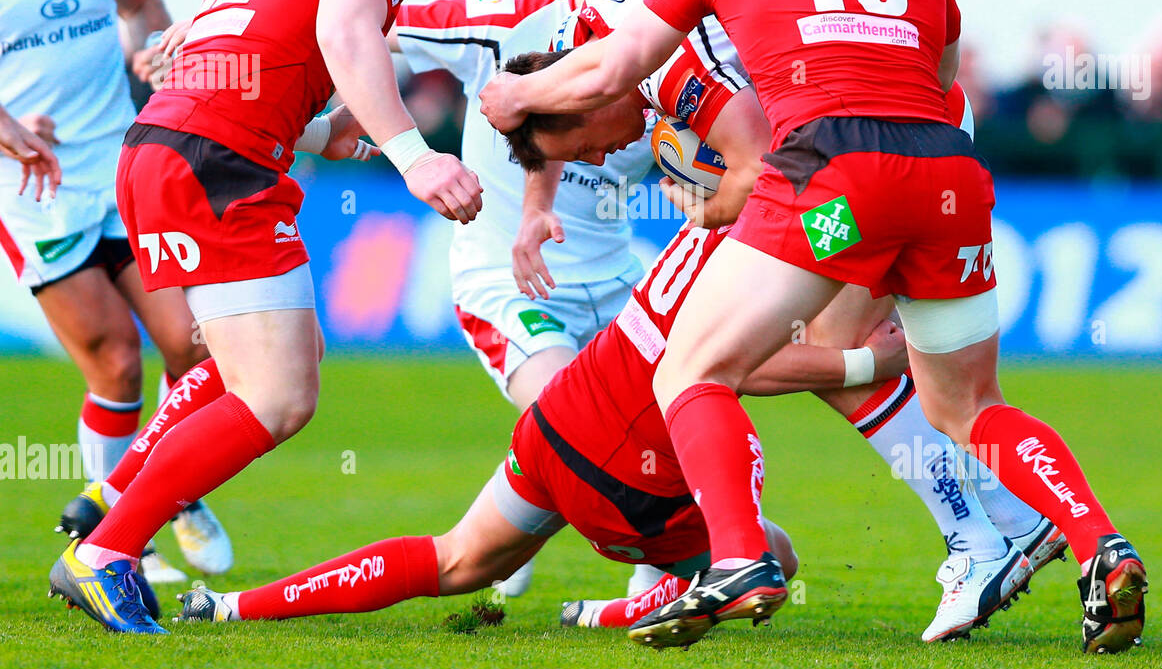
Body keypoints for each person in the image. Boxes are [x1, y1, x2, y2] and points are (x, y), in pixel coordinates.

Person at [480, 0, 1147, 654]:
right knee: (972, 403)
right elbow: (944, 75)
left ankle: (738, 560)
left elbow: (613, 68)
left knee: (692, 369)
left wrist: (515, 88)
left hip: (834, 175)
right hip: (946, 173)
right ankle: (1099, 541)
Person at [48, 0, 483, 634]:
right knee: (280, 396)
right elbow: (346, 34)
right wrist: (414, 156)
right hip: (219, 164)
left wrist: (322, 131)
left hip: (168, 149)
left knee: (273, 364)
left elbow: (235, 52)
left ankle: (117, 489)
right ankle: (107, 552)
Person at [506, 0, 1065, 642]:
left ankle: (987, 535)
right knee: (826, 350)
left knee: (823, 349)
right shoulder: (622, 45)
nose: (597, 160)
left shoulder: (665, 65)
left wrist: (718, 204)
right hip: (881, 139)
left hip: (875, 153)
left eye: (579, 146)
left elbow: (760, 159)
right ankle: (1008, 522)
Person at [173, 219, 887, 633]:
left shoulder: (711, 210)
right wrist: (862, 361)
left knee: (456, 560)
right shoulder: (788, 223)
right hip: (627, 484)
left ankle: (229, 607)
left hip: (558, 423)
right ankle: (638, 606)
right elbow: (736, 369)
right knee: (775, 556)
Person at [390, 0, 679, 599]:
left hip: (616, 280)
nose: (621, 1)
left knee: (672, 421)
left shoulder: (671, 57)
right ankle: (507, 529)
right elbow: (361, 29)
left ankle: (652, 578)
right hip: (507, 279)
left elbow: (703, 171)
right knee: (575, 418)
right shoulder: (502, 26)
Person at [0, 0, 227, 581]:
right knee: (118, 362)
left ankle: (167, 486)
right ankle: (115, 540)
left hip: (123, 166)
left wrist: (157, 54)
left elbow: (140, 4)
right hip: (34, 189)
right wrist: (10, 129)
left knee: (192, 348)